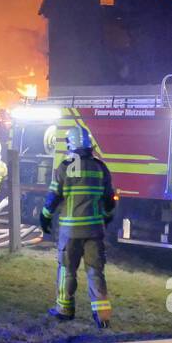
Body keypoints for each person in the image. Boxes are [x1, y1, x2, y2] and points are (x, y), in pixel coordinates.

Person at [41, 126, 116, 329]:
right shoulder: (100, 168)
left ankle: (64, 310)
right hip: (95, 231)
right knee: (96, 272)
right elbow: (110, 200)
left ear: (71, 144)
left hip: (70, 231)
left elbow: (53, 197)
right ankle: (103, 317)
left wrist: (45, 218)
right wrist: (106, 220)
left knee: (67, 270)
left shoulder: (65, 166)